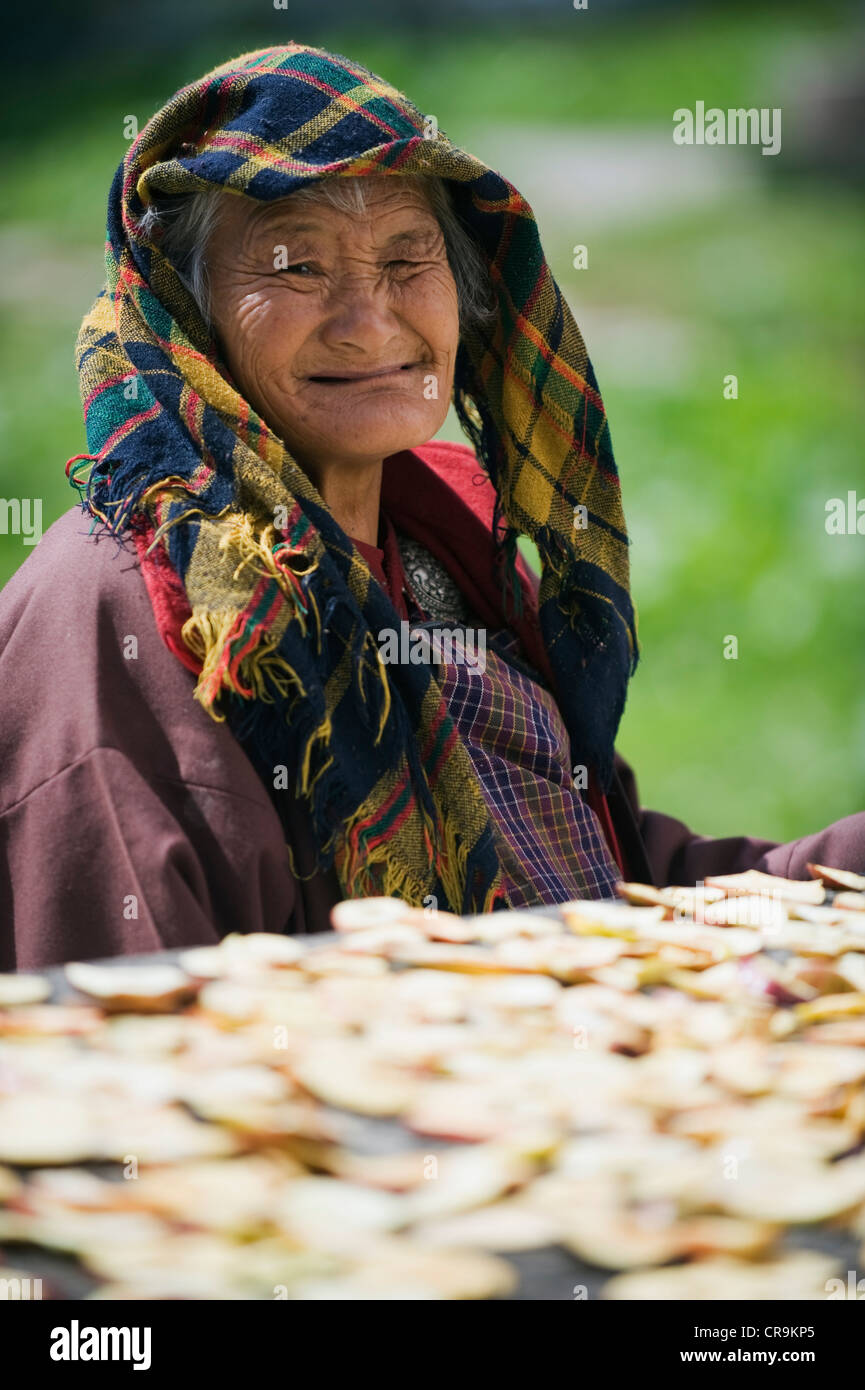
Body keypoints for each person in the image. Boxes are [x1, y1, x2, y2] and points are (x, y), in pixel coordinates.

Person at [1, 43, 861, 969]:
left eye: (409, 259)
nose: (370, 322)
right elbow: (120, 1039)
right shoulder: (140, 614)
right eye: (295, 268)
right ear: (186, 312)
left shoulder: (442, 544)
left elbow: (607, 892)